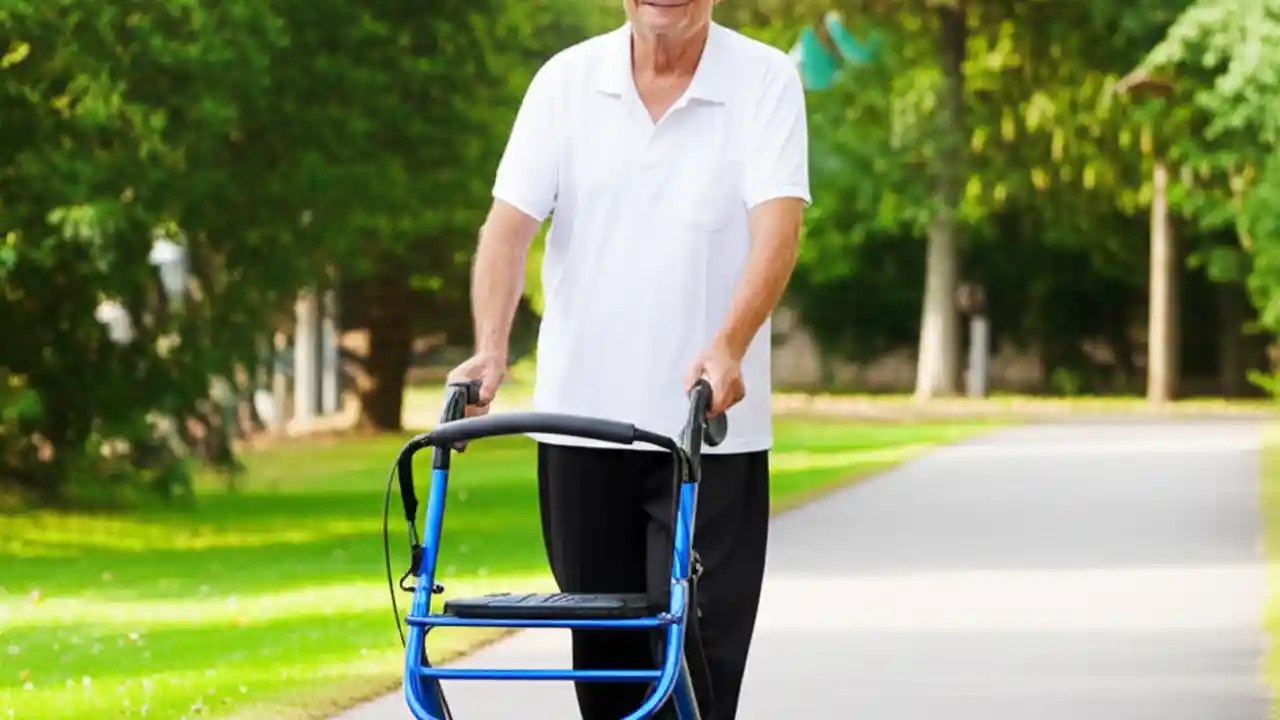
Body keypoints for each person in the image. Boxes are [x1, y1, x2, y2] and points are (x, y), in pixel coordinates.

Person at [447, 0, 809, 717]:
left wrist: (729, 344)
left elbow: (779, 225)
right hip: (582, 429)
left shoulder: (763, 79)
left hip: (707, 430)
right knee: (607, 665)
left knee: (697, 653)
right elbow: (508, 227)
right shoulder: (565, 82)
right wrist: (491, 346)